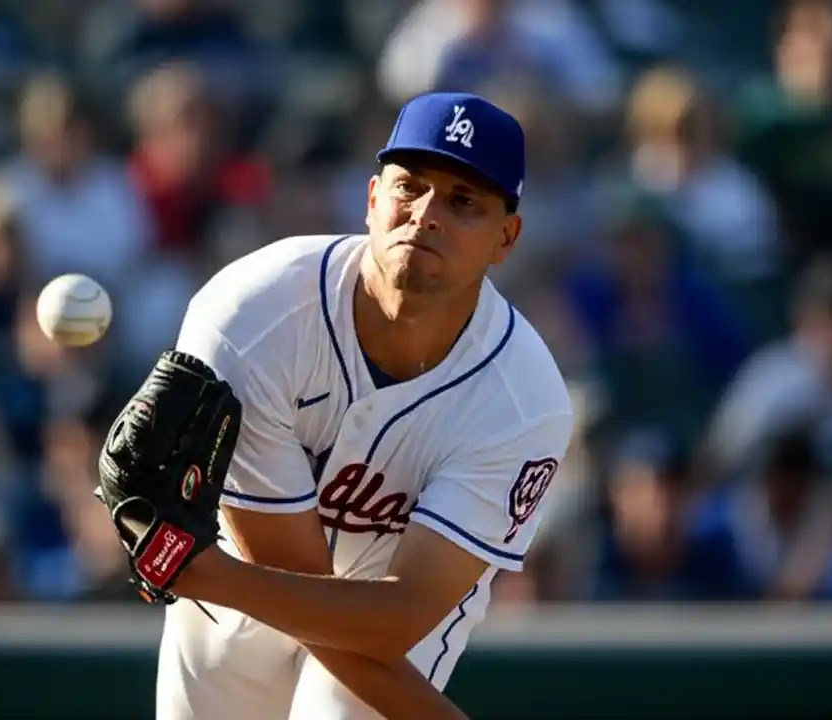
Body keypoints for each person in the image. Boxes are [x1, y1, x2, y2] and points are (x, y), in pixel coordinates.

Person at [149, 92, 575, 719]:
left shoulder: (524, 401)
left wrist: (192, 570)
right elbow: (284, 569)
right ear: (372, 199)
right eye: (411, 186)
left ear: (505, 238)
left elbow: (396, 619)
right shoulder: (253, 314)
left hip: (365, 610)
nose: (427, 214)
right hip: (241, 588)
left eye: (464, 202)